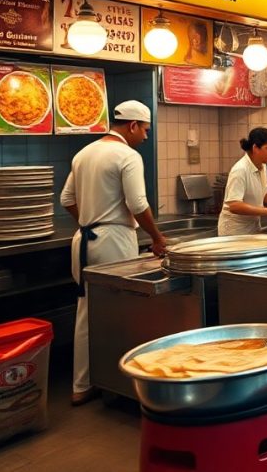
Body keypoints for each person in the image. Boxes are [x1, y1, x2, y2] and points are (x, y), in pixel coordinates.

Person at [61, 100, 167, 406]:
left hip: (83, 238)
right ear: (132, 125)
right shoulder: (126, 155)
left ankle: (81, 386)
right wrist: (157, 238)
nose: (146, 137)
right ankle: (125, 384)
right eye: (145, 130)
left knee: (87, 309)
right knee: (124, 311)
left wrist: (90, 220)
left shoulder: (85, 153)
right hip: (114, 239)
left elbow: (66, 198)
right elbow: (137, 203)